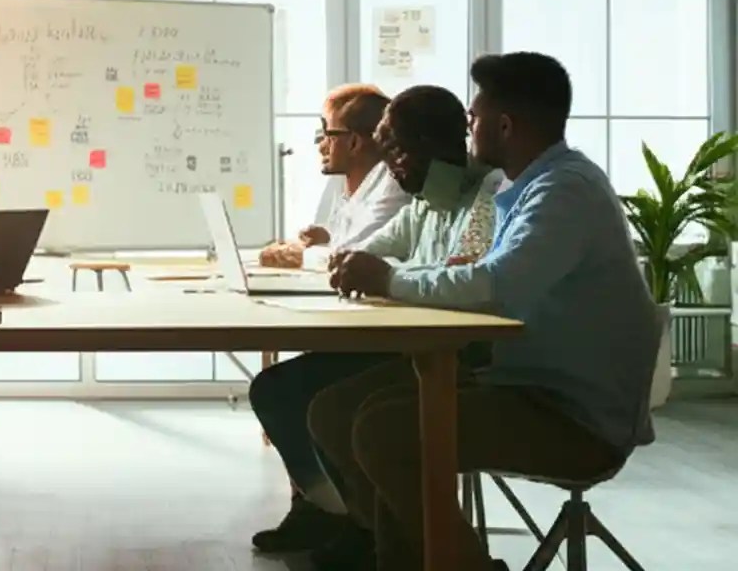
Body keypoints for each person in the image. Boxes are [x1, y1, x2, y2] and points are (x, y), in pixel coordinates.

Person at [313, 52, 659, 571]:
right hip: (518, 383)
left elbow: (495, 285)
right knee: (338, 412)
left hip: (575, 416)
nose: (467, 128)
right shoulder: (520, 187)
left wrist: (387, 279)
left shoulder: (564, 191)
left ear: (504, 125)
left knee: (385, 432)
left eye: (473, 118)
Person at [249, 85, 502, 556]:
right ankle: (346, 517)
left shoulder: (483, 194)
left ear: (434, 144)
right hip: (415, 343)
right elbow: (367, 253)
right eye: (389, 154)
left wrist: (385, 276)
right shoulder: (428, 197)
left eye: (401, 152)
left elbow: (464, 278)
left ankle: (356, 525)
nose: (393, 166)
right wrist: (351, 263)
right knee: (285, 389)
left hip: (453, 354)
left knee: (310, 398)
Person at [260, 83, 408, 268]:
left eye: (328, 135)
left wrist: (301, 256)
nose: (322, 146)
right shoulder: (351, 186)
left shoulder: (393, 185)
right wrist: (328, 238)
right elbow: (349, 244)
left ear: (354, 142)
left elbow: (355, 257)